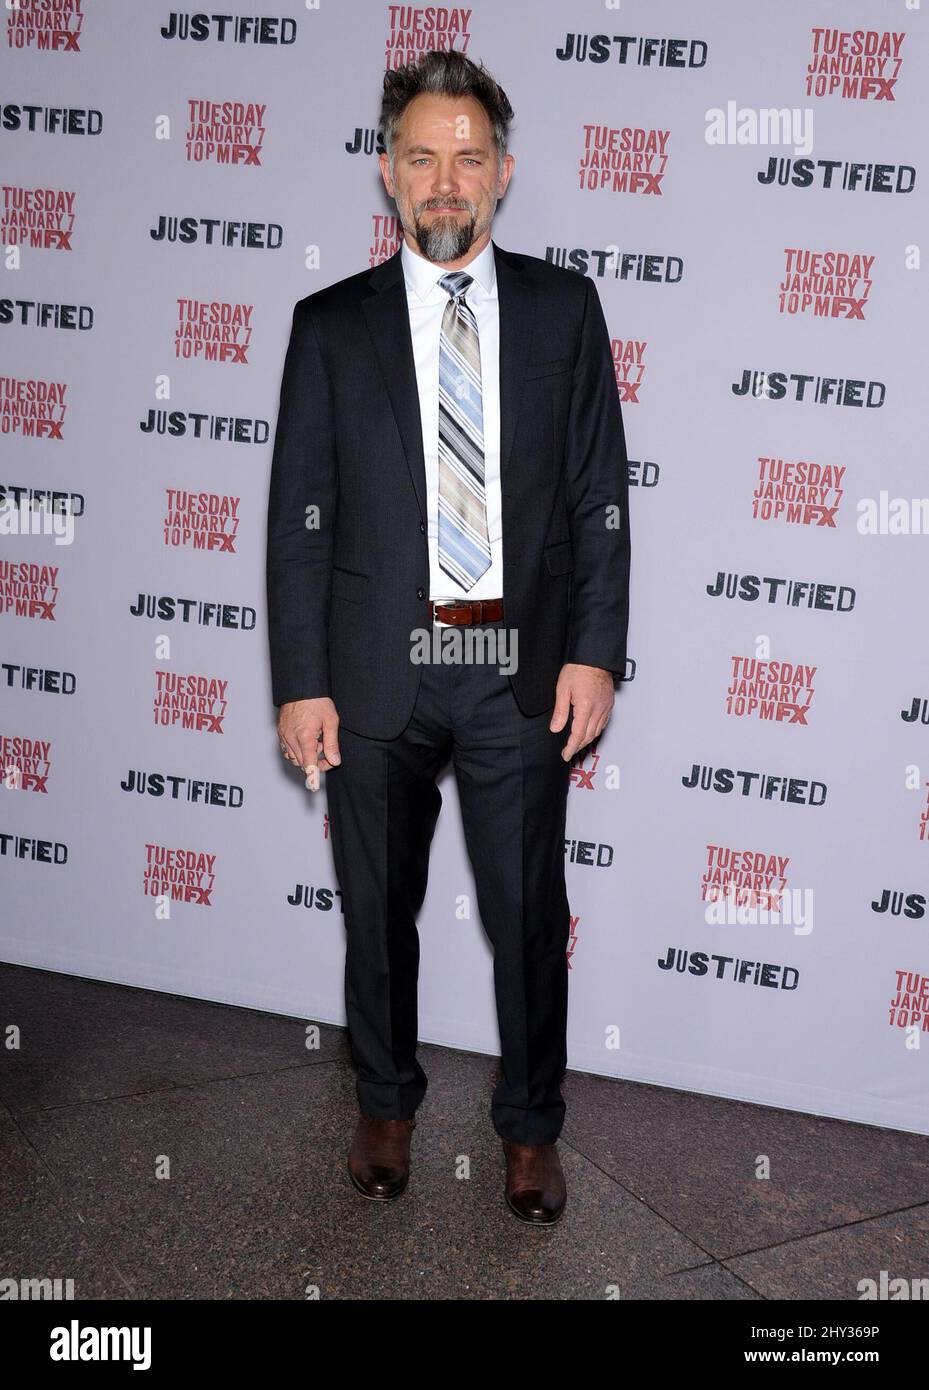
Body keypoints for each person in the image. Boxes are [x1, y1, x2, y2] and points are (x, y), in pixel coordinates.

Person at [266, 50, 630, 1225]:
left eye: (467, 157)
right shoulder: (326, 326)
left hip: (511, 668)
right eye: (420, 156)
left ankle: (529, 1131)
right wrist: (301, 681)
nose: (443, 180)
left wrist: (594, 649)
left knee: (527, 914)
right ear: (386, 172)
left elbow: (597, 497)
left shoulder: (564, 311)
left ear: (503, 174)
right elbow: (297, 518)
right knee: (376, 910)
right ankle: (385, 1105)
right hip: (378, 667)